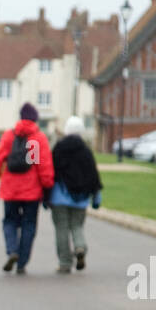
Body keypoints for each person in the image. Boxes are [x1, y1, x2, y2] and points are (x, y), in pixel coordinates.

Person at [0, 102, 53, 274]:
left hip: (10, 190)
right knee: (29, 225)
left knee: (9, 221)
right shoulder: (37, 139)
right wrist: (47, 187)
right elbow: (42, 166)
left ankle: (12, 250)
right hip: (31, 192)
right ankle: (22, 262)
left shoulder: (10, 136)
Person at [49, 116, 104, 273]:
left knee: (61, 229)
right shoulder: (86, 151)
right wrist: (96, 195)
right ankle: (80, 247)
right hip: (80, 199)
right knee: (77, 226)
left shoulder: (58, 148)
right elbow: (93, 175)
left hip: (59, 196)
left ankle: (65, 263)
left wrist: (46, 196)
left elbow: (50, 173)